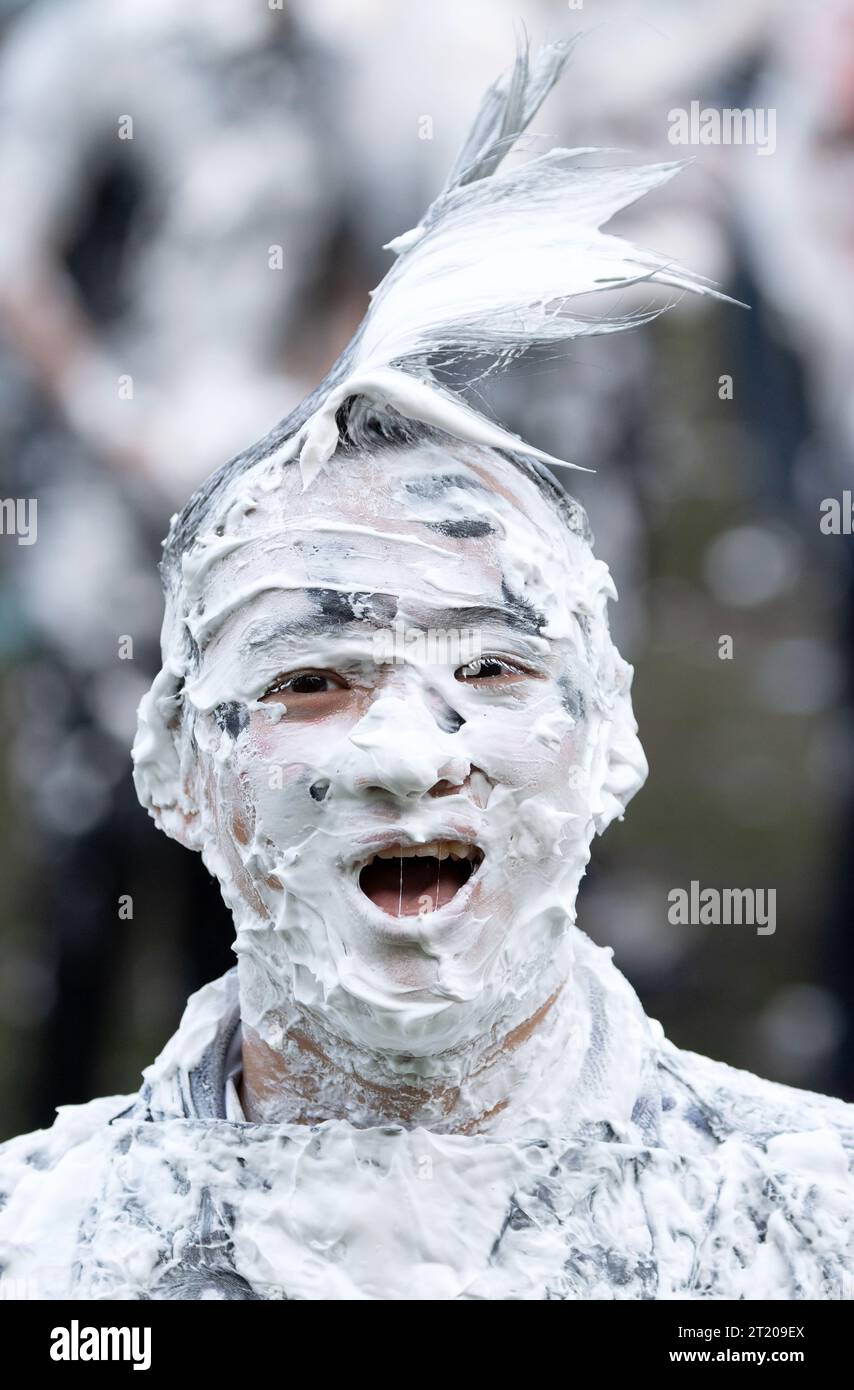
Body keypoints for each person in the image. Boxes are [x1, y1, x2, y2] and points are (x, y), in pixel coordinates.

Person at [1, 41, 852, 1302]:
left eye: (496, 668)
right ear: (176, 767)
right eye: (311, 681)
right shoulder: (42, 1257)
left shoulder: (808, 1232)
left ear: (612, 742)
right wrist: (127, 420)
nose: (408, 751)